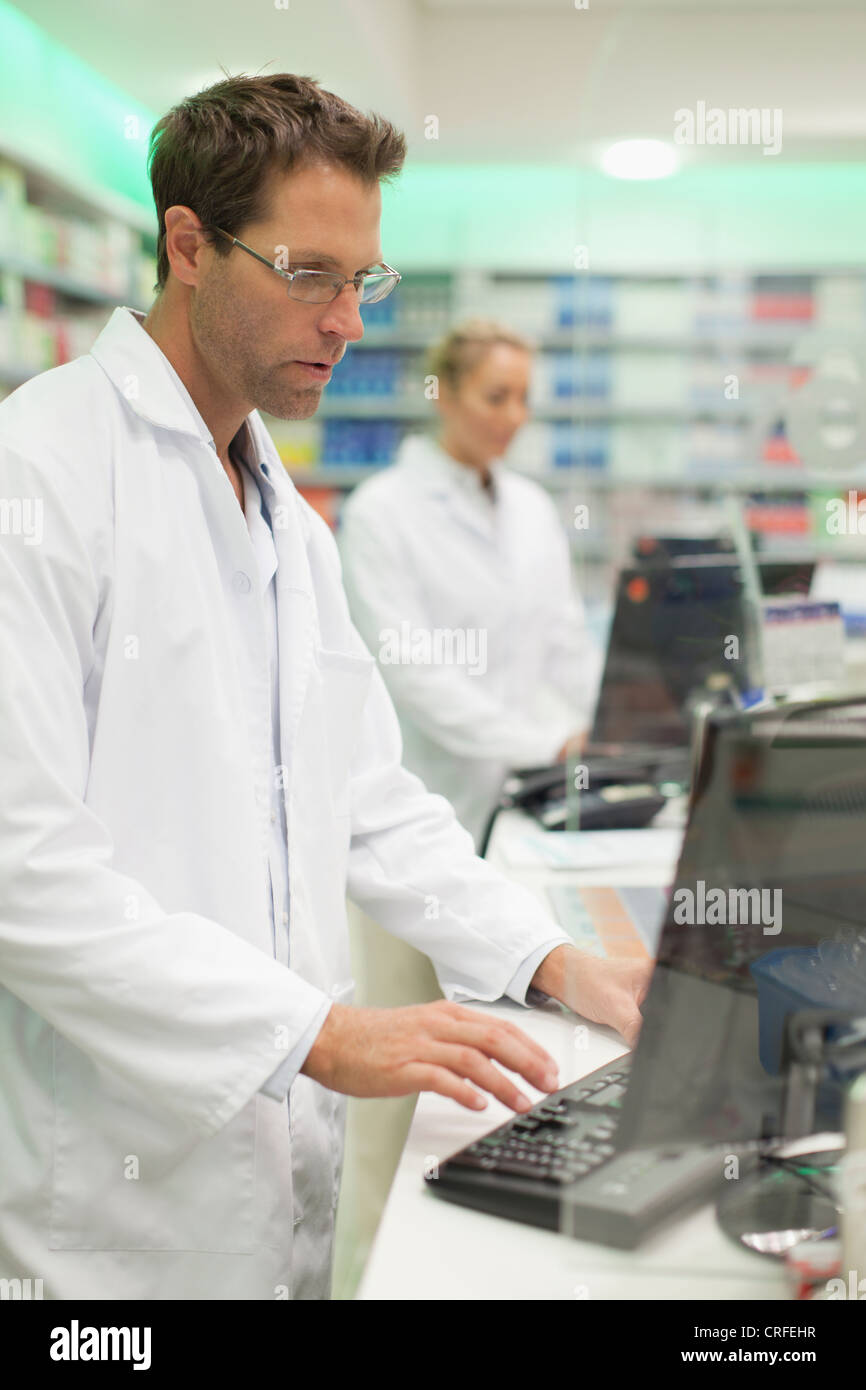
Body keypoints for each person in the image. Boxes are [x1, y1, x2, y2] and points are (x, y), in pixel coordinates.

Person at [0, 74, 649, 1303]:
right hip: (113, 1216)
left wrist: (558, 959)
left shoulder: (285, 519)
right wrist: (321, 1032)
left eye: (365, 280)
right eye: (310, 273)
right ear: (188, 245)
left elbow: (365, 795)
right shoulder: (39, 473)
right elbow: (20, 870)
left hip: (284, 1171)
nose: (347, 319)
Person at [339, 319, 600, 850]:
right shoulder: (380, 512)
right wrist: (544, 745)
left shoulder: (532, 507)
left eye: (524, 399)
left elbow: (566, 643)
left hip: (527, 796)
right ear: (445, 396)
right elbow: (416, 674)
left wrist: (614, 728)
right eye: (496, 397)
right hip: (428, 797)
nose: (515, 417)